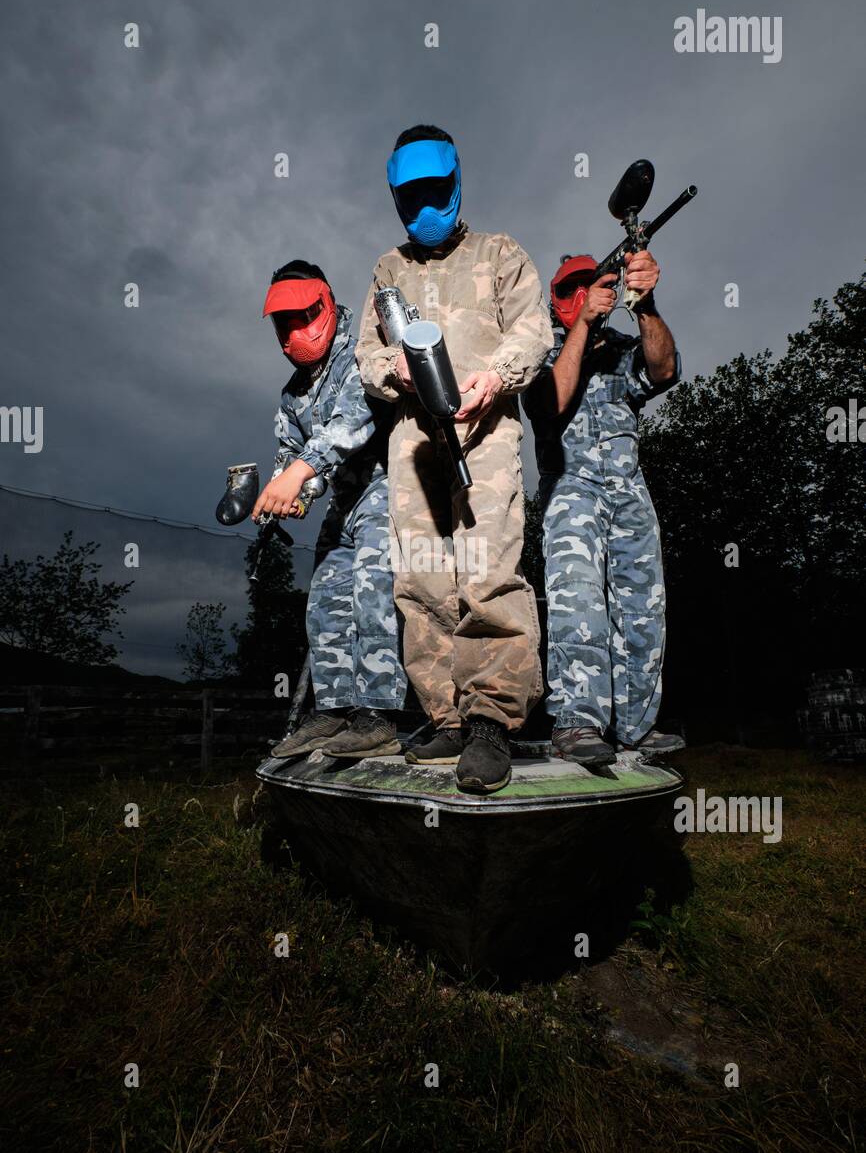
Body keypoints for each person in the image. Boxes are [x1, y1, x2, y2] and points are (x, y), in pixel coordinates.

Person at [356, 124, 553, 793]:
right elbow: (366, 356)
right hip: (413, 438)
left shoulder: (502, 253)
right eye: (408, 197)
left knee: (488, 572)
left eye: (434, 191)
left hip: (487, 431)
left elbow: (534, 331)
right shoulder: (388, 270)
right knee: (419, 579)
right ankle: (445, 716)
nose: (423, 207)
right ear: (394, 197)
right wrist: (400, 373)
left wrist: (493, 380)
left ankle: (492, 719)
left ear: (457, 181)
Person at [522, 249, 685, 767]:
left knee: (643, 608)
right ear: (556, 297)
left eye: (590, 287)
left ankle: (636, 725)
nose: (582, 296)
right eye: (571, 290)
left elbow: (662, 370)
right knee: (579, 602)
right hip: (572, 490)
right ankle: (578, 721)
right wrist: (582, 326)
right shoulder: (538, 348)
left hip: (629, 490)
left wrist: (646, 303)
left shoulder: (620, 347)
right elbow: (550, 405)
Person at [253, 259, 406, 759]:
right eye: (282, 324)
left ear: (323, 304)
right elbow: (290, 459)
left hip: (387, 489)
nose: (292, 333)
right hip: (343, 500)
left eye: (300, 318)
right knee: (323, 599)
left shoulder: (362, 347)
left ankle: (377, 713)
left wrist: (301, 471)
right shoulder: (293, 393)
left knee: (372, 589)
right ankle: (336, 709)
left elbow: (353, 420)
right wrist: (291, 494)